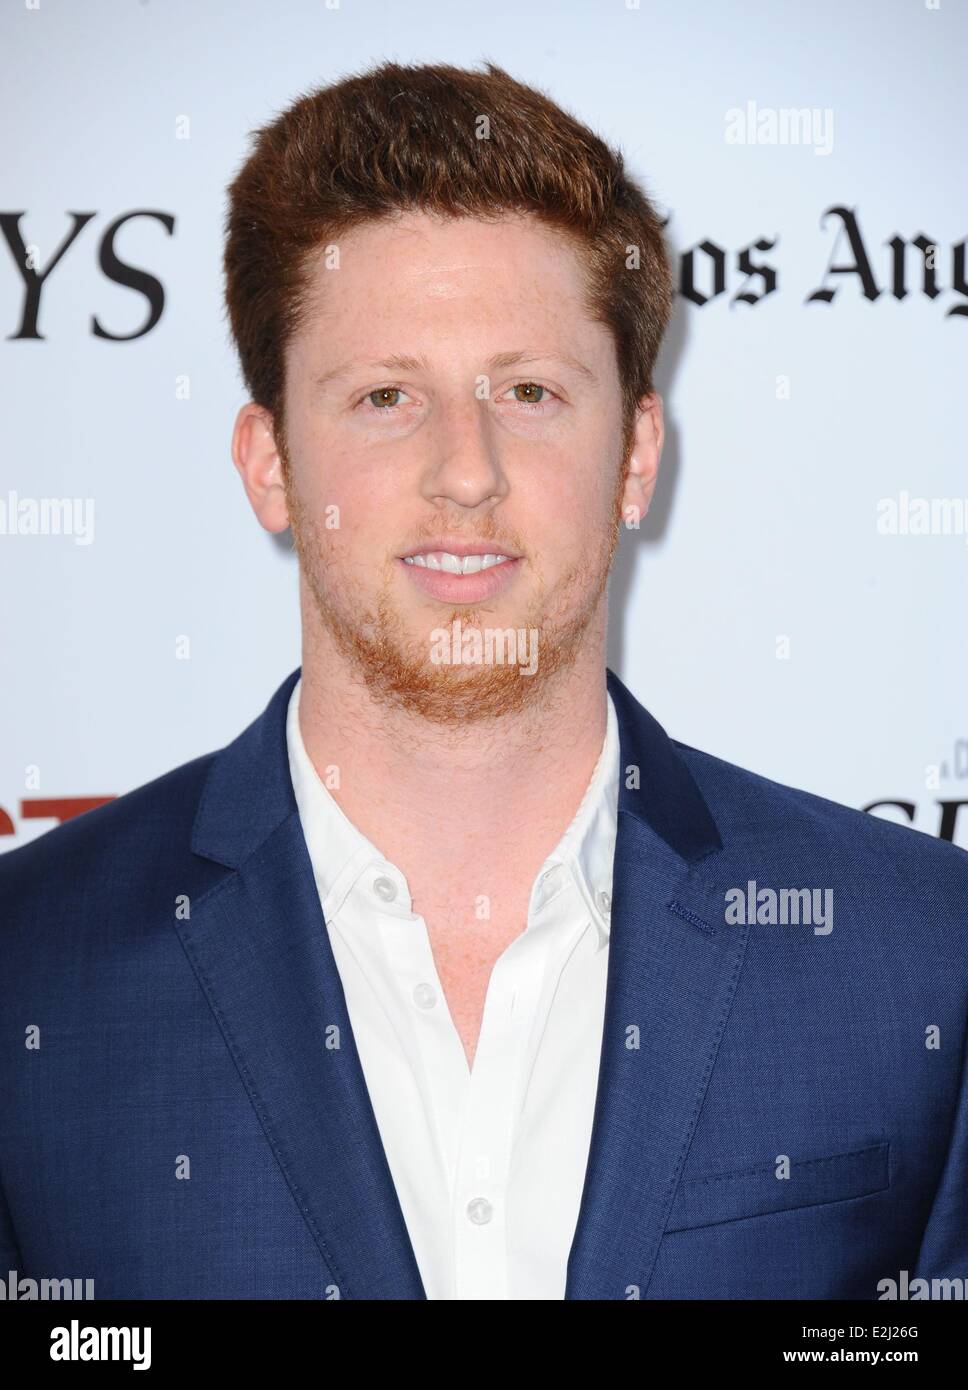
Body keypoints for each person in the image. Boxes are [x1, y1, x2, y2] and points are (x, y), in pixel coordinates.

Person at [1, 60, 966, 1302]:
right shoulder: (30, 969)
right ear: (269, 466)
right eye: (387, 395)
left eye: (528, 392)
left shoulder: (916, 953)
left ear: (635, 456)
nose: (466, 470)